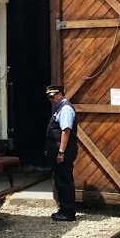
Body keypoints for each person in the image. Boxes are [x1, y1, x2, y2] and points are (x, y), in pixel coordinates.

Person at [45, 84, 78, 221]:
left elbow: (65, 131)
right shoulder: (59, 108)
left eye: (52, 96)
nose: (51, 99)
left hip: (63, 152)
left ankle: (68, 212)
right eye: (49, 97)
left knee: (64, 181)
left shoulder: (65, 109)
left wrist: (61, 152)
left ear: (60, 94)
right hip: (60, 152)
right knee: (60, 180)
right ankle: (64, 208)